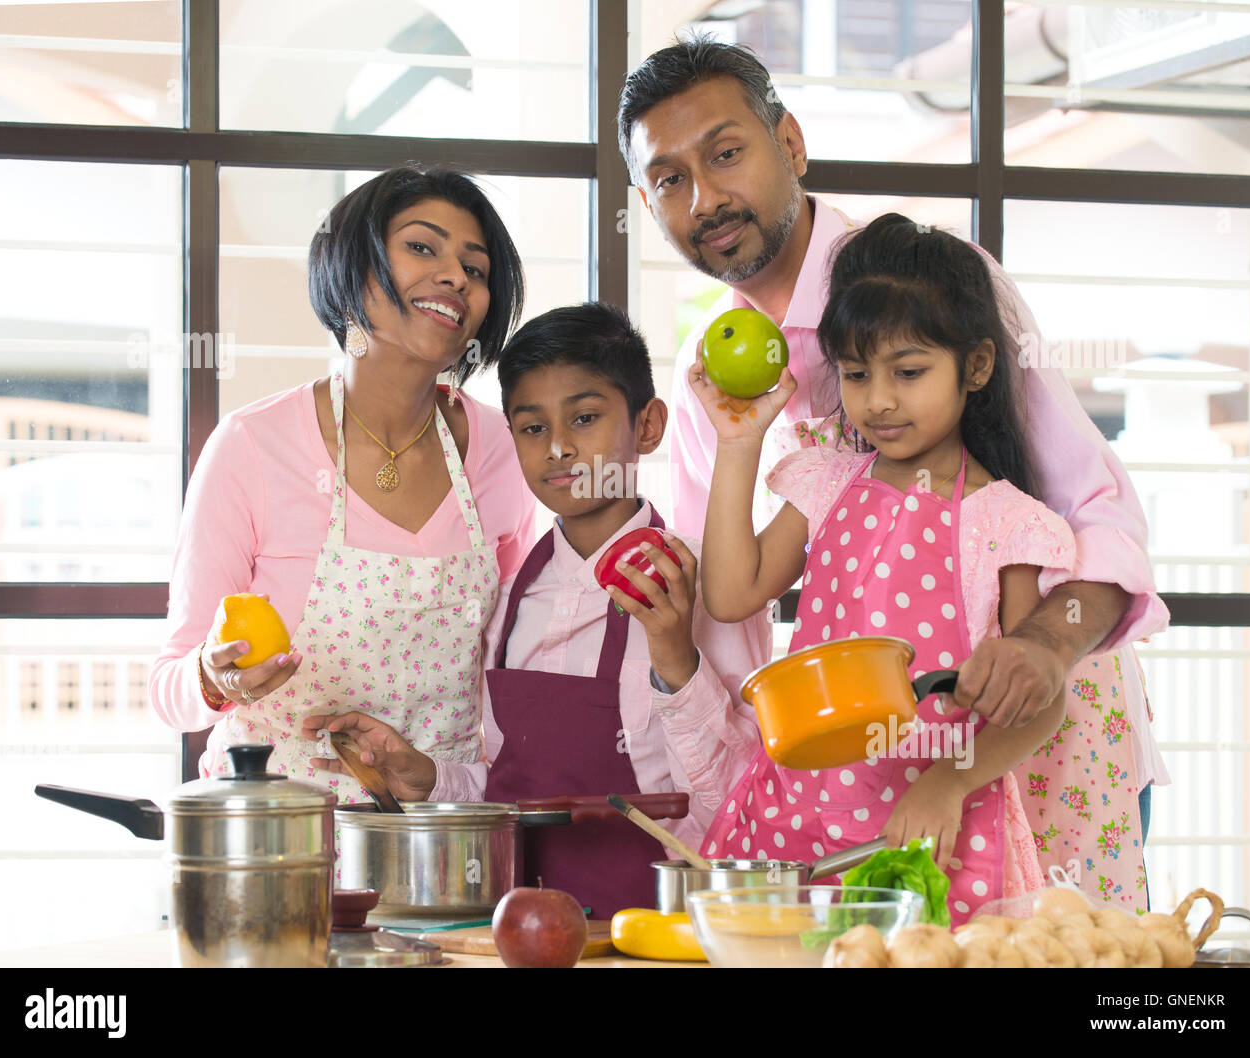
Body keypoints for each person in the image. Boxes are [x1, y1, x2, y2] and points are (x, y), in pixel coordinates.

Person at [617, 36, 1168, 909]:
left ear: (788, 144)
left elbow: (1095, 508)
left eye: (726, 154)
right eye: (670, 180)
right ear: (647, 204)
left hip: (1032, 751)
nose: (706, 198)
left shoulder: (934, 284)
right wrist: (729, 800)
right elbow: (733, 616)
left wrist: (1043, 648)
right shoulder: (707, 377)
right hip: (847, 793)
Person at [304, 302, 768, 918]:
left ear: (648, 425)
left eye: (585, 417)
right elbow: (509, 789)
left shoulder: (711, 581)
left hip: (659, 932)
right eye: (531, 427)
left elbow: (747, 797)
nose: (558, 448)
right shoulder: (512, 598)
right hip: (517, 929)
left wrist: (677, 664)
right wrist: (424, 776)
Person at [694, 214, 1072, 924]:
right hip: (799, 812)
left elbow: (1042, 700)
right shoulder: (827, 484)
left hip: (932, 834)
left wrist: (949, 783)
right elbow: (729, 591)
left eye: (909, 371)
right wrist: (737, 444)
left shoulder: (1007, 521)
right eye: (858, 374)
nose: (879, 400)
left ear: (977, 367)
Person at [148, 166, 537, 793]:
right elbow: (170, 688)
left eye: (476, 268)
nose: (455, 277)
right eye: (421, 247)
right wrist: (211, 678)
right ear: (352, 267)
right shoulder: (252, 447)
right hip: (278, 838)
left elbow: (516, 666)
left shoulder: (504, 449)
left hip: (436, 836)